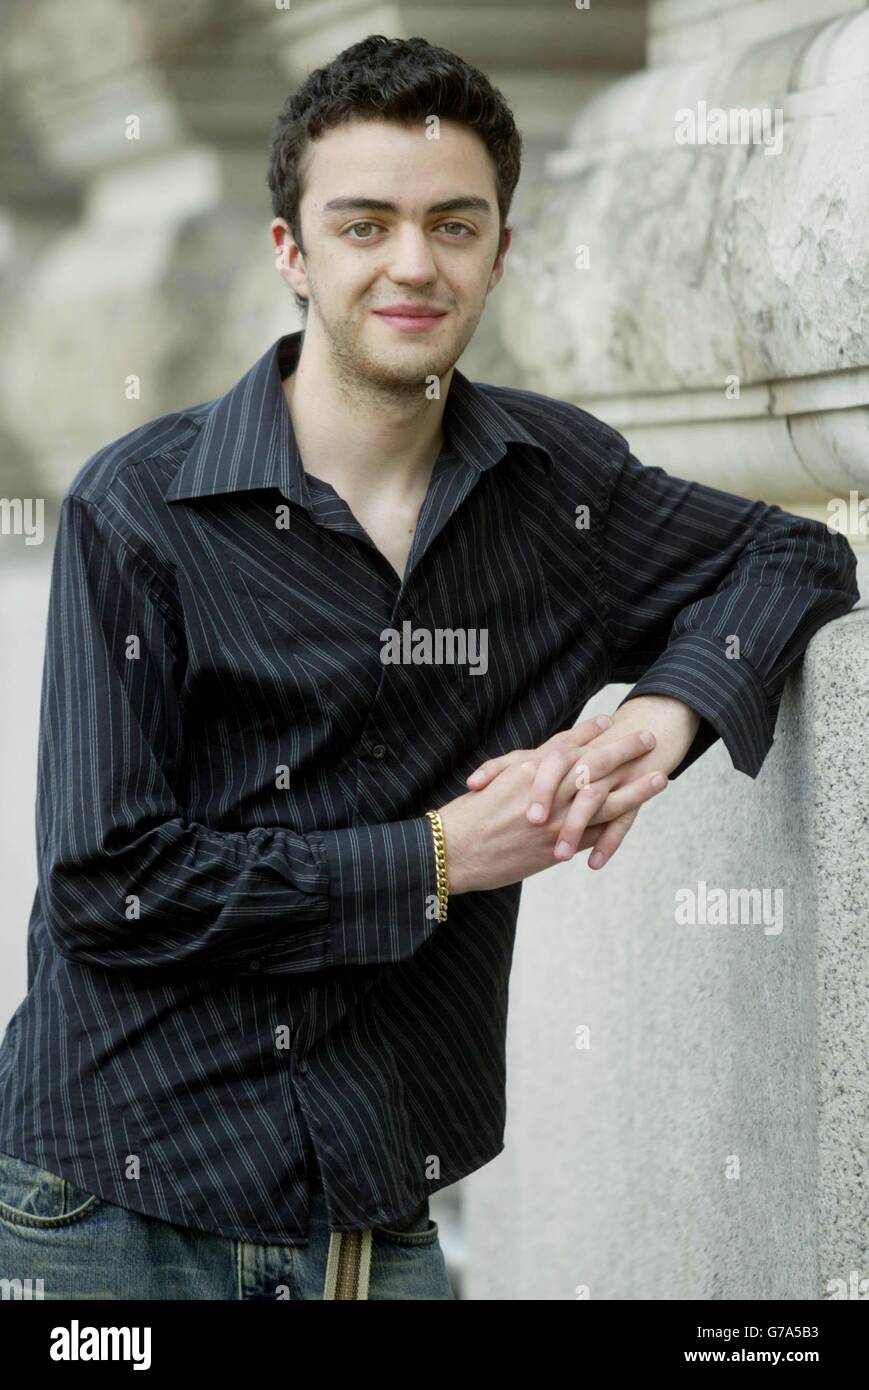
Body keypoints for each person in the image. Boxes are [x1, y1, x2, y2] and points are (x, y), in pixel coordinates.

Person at [0, 34, 859, 1301]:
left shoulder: (557, 491)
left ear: (499, 252)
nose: (413, 263)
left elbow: (797, 556)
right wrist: (444, 856)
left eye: (454, 226)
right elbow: (110, 884)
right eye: (365, 225)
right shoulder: (141, 507)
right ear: (292, 252)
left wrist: (659, 718)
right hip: (116, 1220)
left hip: (376, 1220)